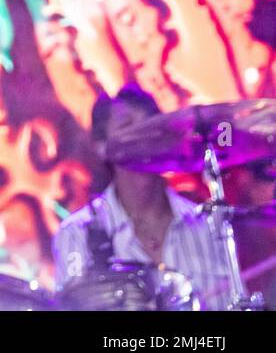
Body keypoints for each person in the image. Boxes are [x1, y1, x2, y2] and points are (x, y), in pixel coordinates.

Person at [52, 84, 234, 309]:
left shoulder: (210, 227)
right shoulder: (78, 233)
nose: (144, 135)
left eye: (150, 124)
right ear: (101, 146)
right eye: (128, 126)